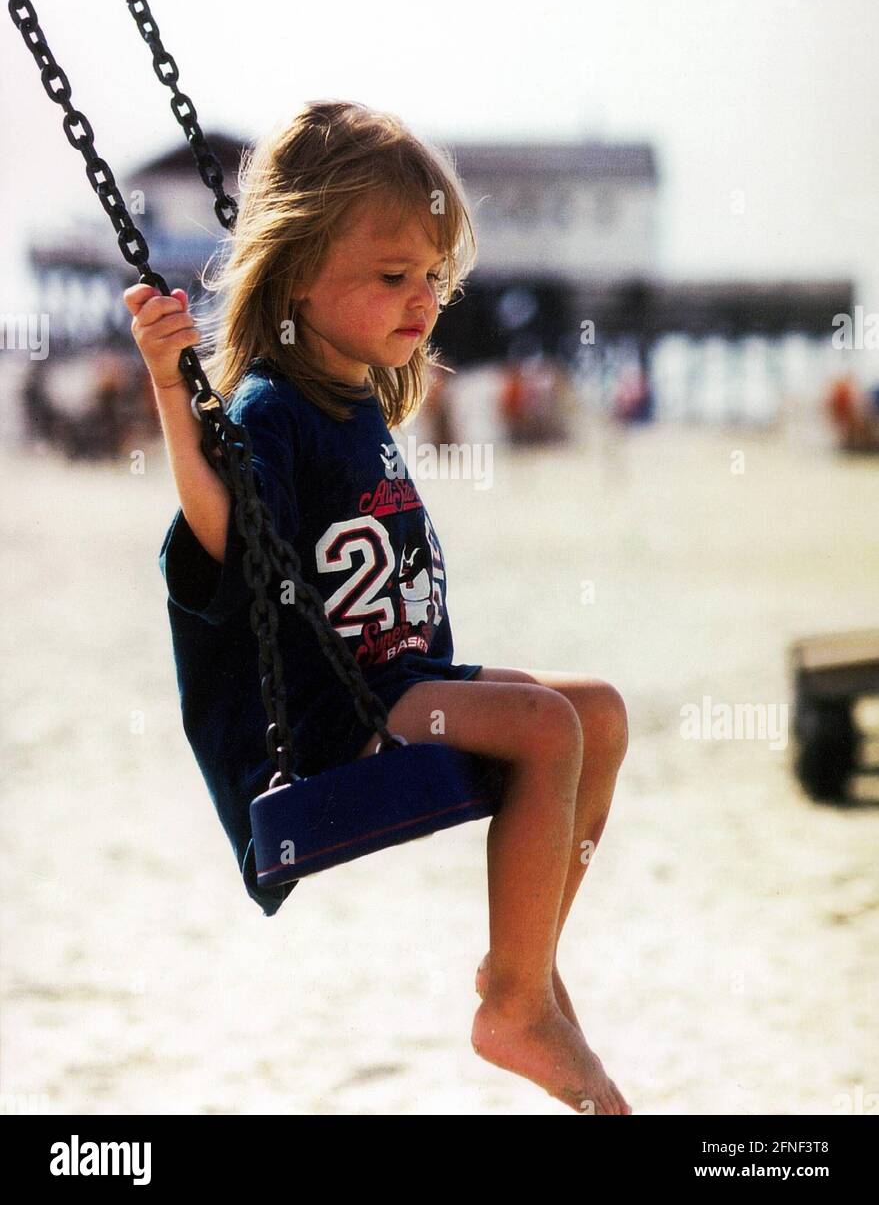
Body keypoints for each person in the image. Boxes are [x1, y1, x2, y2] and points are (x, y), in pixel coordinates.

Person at [123, 99, 631, 1115]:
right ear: (300, 273)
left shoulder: (353, 391)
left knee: (601, 714)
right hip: (347, 718)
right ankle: (515, 1005)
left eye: (433, 279)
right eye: (393, 277)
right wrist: (174, 395)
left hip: (408, 684)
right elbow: (228, 533)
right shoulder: (271, 407)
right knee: (543, 725)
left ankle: (524, 976)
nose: (422, 301)